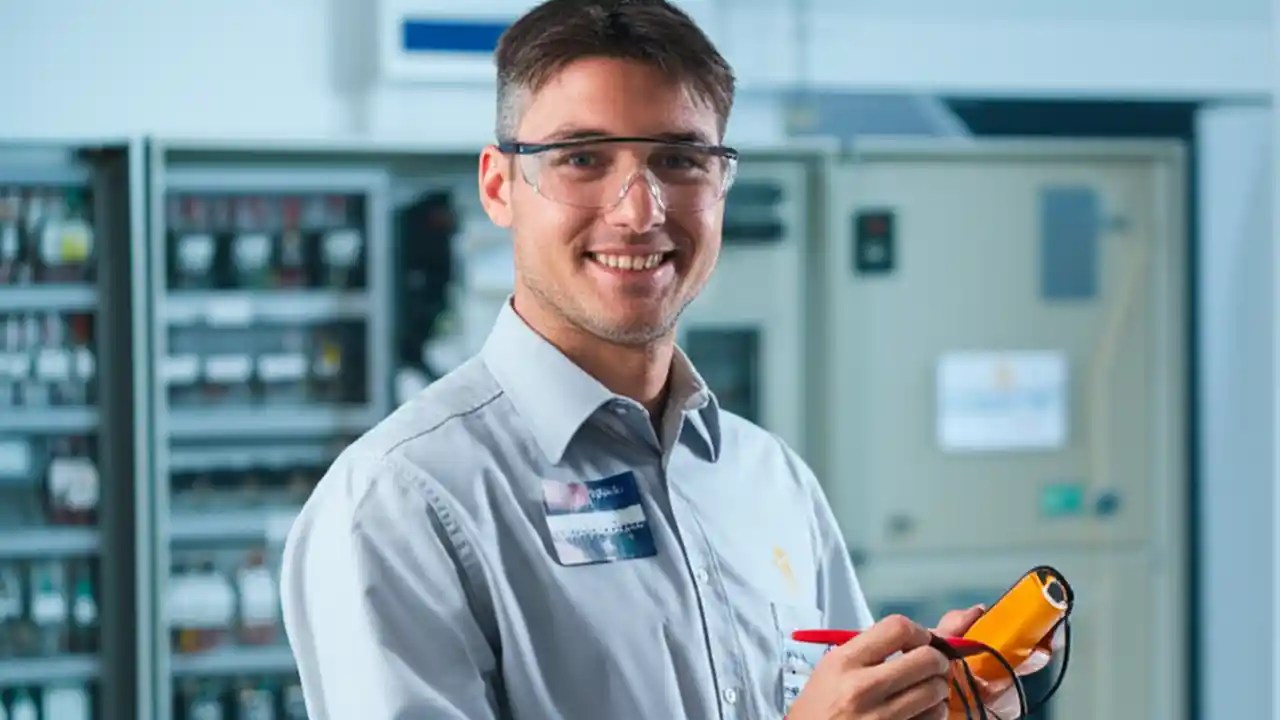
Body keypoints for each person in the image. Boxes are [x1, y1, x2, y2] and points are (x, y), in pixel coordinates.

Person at [279, 1, 1056, 718]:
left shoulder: (770, 481)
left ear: (722, 181)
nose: (639, 209)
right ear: (498, 185)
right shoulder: (402, 502)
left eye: (680, 161)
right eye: (582, 158)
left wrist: (935, 697)